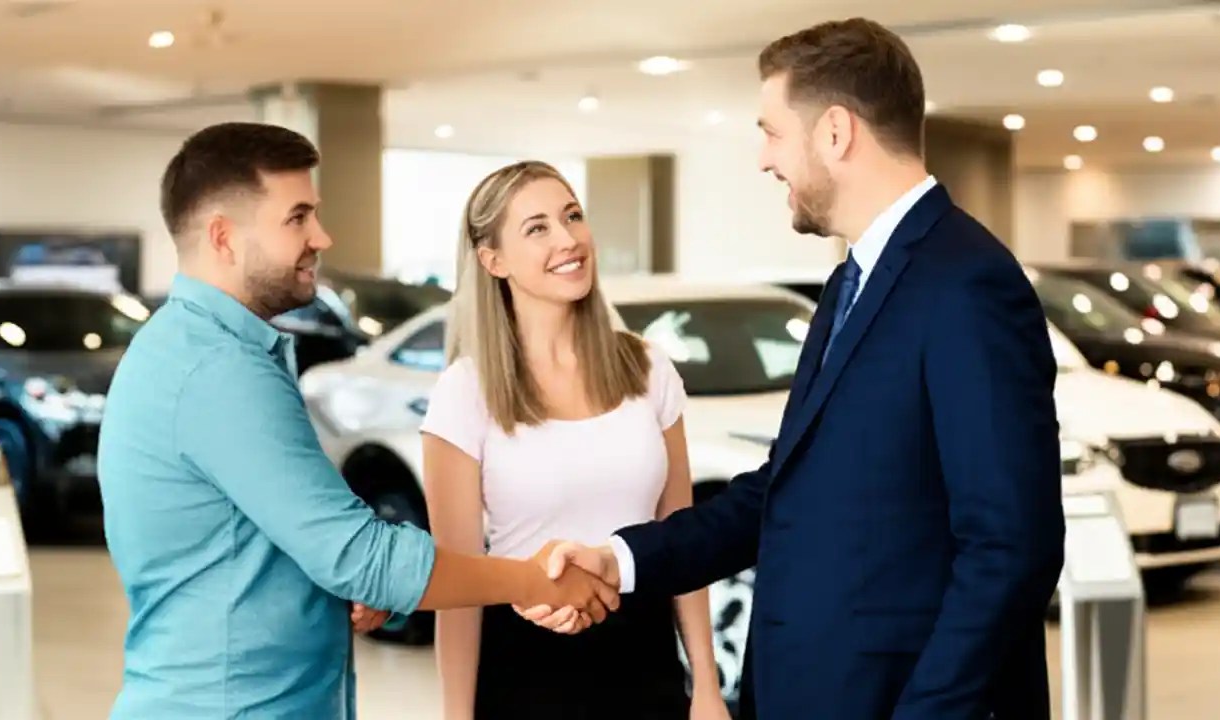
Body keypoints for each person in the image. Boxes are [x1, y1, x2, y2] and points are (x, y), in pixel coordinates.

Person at [524, 18, 1066, 720]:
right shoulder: (850, 282)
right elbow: (784, 489)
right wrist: (621, 561)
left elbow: (1011, 547)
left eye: (773, 131)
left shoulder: (967, 283)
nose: (763, 158)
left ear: (835, 132)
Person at [96, 122, 618, 720]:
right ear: (224, 237)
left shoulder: (197, 349)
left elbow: (282, 537)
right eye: (297, 218)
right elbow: (358, 555)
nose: (322, 235)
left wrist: (344, 591)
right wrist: (536, 582)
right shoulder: (216, 369)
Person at [418, 160, 730, 720]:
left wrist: (705, 686)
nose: (568, 239)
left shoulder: (646, 367)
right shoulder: (465, 391)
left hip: (646, 660)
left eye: (572, 216)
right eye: (536, 227)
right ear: (493, 261)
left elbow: (684, 539)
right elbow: (458, 586)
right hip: (525, 669)